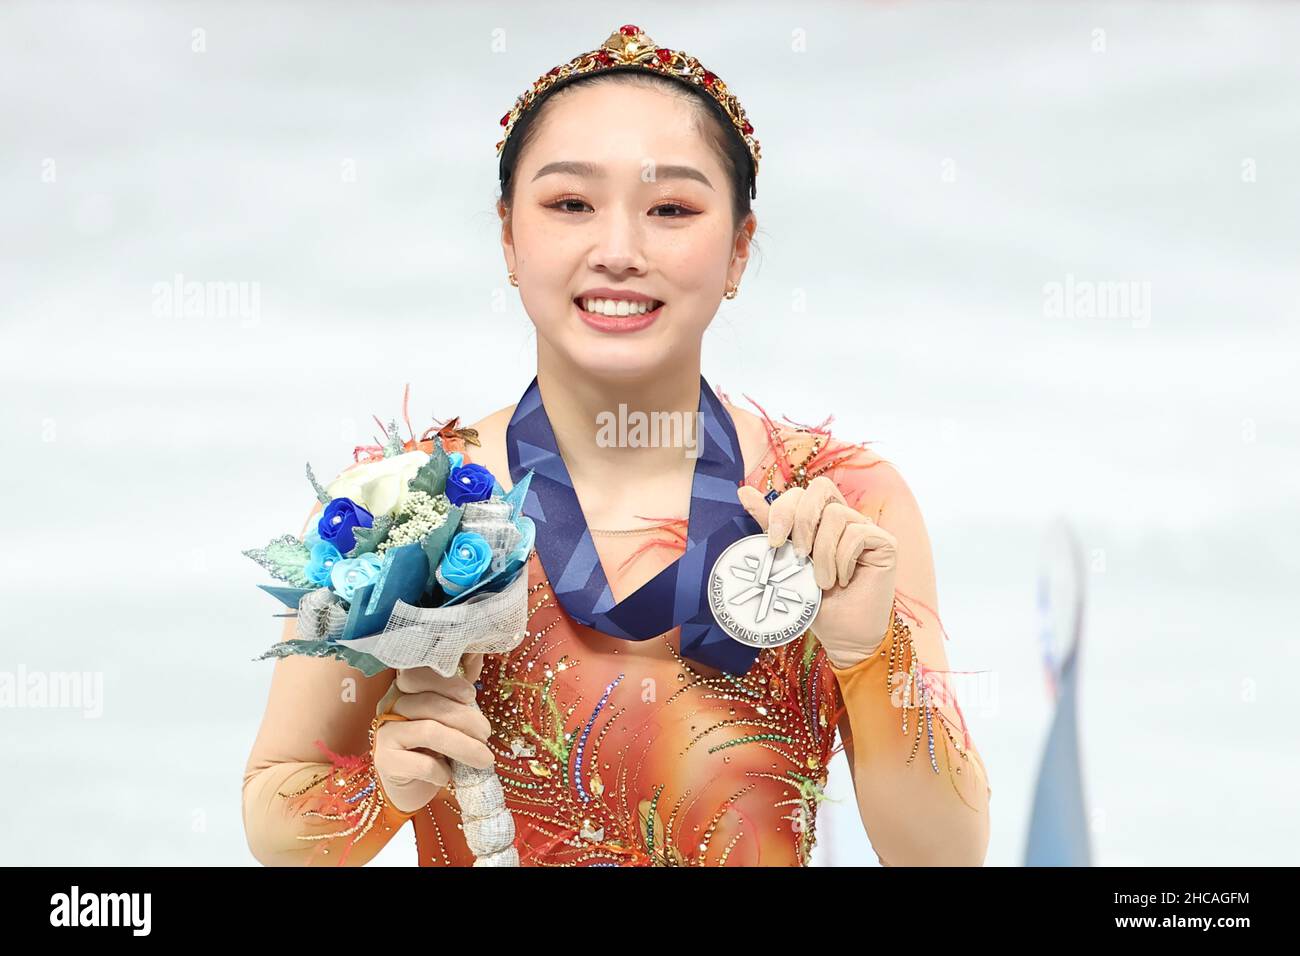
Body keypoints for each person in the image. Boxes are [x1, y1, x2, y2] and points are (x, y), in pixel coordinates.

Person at [242, 24, 991, 867]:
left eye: (671, 209)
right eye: (569, 205)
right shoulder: (406, 504)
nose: (618, 252)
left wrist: (867, 654)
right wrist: (381, 787)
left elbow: (946, 856)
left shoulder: (838, 506)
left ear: (740, 248)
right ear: (507, 238)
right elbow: (276, 819)